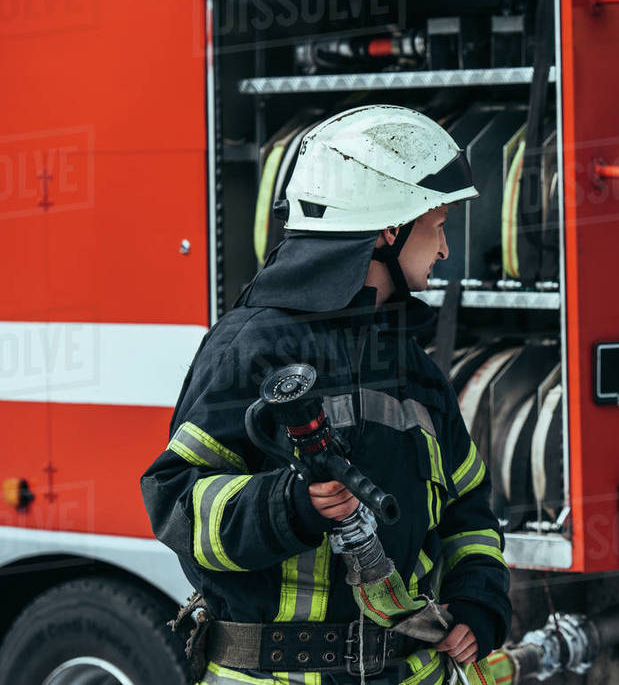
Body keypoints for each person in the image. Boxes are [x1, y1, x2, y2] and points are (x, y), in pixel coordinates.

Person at [141, 105, 511, 685]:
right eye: (437, 225)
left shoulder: (411, 367)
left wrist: (478, 600)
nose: (444, 251)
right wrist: (289, 507)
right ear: (388, 229)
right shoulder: (251, 347)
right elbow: (177, 505)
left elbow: (468, 505)